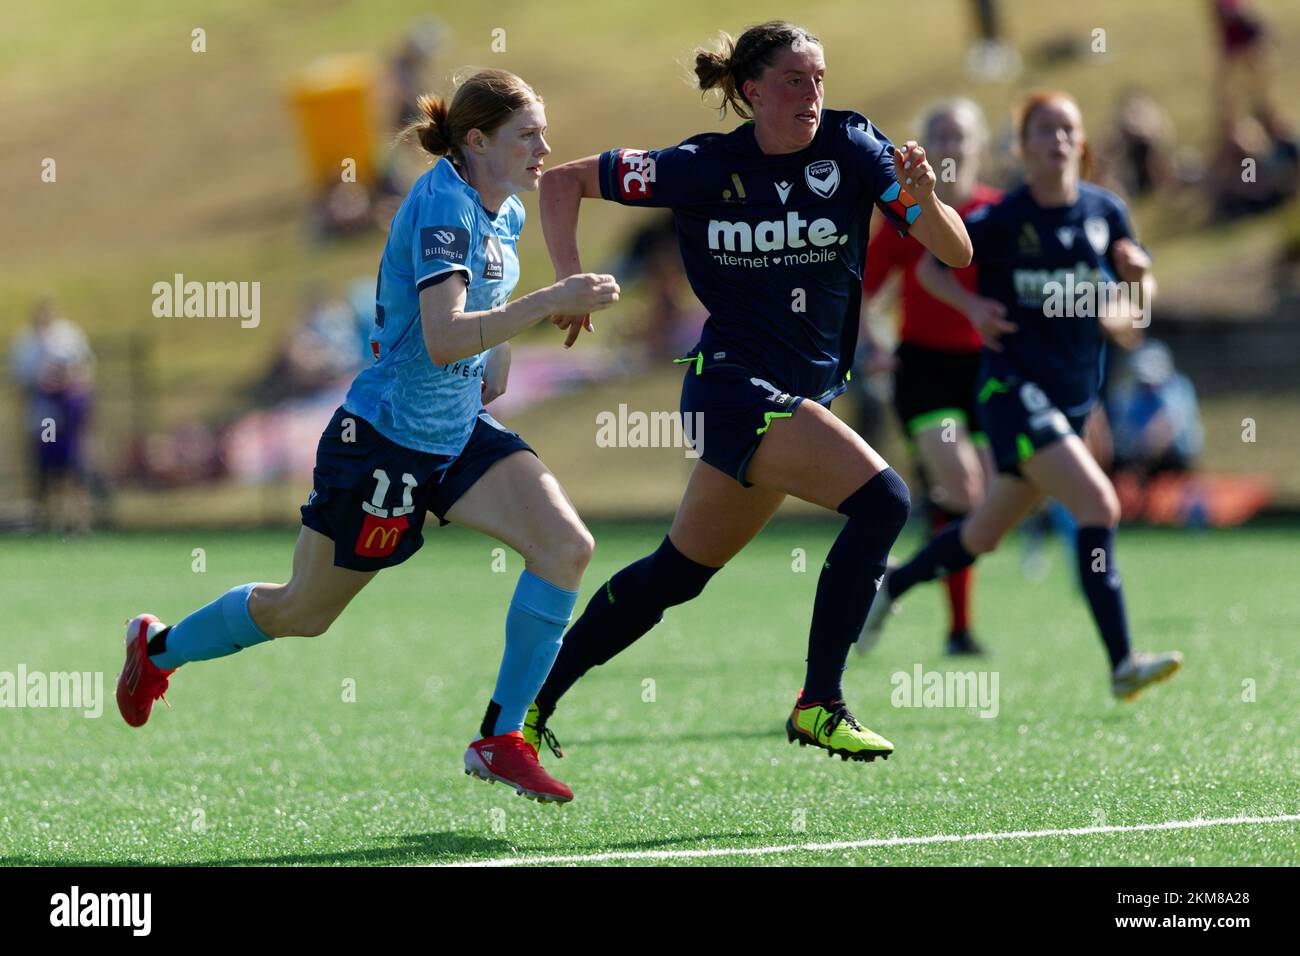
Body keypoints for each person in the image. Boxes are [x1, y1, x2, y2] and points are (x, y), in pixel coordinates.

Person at [116, 69, 622, 804]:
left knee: (566, 547)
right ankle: (157, 649)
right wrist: (550, 303)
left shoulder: (503, 207)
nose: (545, 146)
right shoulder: (443, 204)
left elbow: (481, 309)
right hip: (385, 442)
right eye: (529, 134)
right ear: (477, 140)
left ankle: (500, 738)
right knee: (302, 612)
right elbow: (446, 336)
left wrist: (502, 354)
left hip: (459, 432)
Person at [530, 21, 972, 763]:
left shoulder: (856, 150)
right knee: (886, 500)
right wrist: (570, 281)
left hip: (795, 399)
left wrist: (925, 201)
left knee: (676, 575)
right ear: (750, 91)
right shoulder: (702, 166)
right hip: (730, 390)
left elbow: (955, 251)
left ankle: (528, 703)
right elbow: (562, 181)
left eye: (820, 77)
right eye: (794, 80)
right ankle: (820, 703)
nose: (812, 94)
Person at [865, 91, 1183, 702]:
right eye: (1045, 130)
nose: (1058, 140)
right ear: (1023, 146)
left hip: (1071, 400)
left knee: (983, 533)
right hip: (1010, 392)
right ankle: (1122, 662)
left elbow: (1128, 322)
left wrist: (1138, 283)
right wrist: (972, 307)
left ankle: (895, 584)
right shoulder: (1002, 219)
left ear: (1081, 143)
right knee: (1099, 504)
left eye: (1069, 129)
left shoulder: (1106, 213)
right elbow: (934, 267)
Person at [858, 98, 1001, 656]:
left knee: (987, 506)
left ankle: (903, 585)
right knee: (962, 488)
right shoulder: (906, 215)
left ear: (980, 148)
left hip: (988, 371)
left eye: (961, 136)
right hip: (923, 368)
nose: (950, 147)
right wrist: (876, 344)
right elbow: (862, 296)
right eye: (939, 136)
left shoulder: (999, 213)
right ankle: (955, 626)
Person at [8, 298, 96, 532]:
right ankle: (49, 520)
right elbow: (20, 381)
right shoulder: (26, 344)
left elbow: (85, 373)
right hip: (46, 419)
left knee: (73, 469)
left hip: (68, 415)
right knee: (47, 469)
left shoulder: (69, 336)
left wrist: (70, 389)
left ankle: (78, 522)